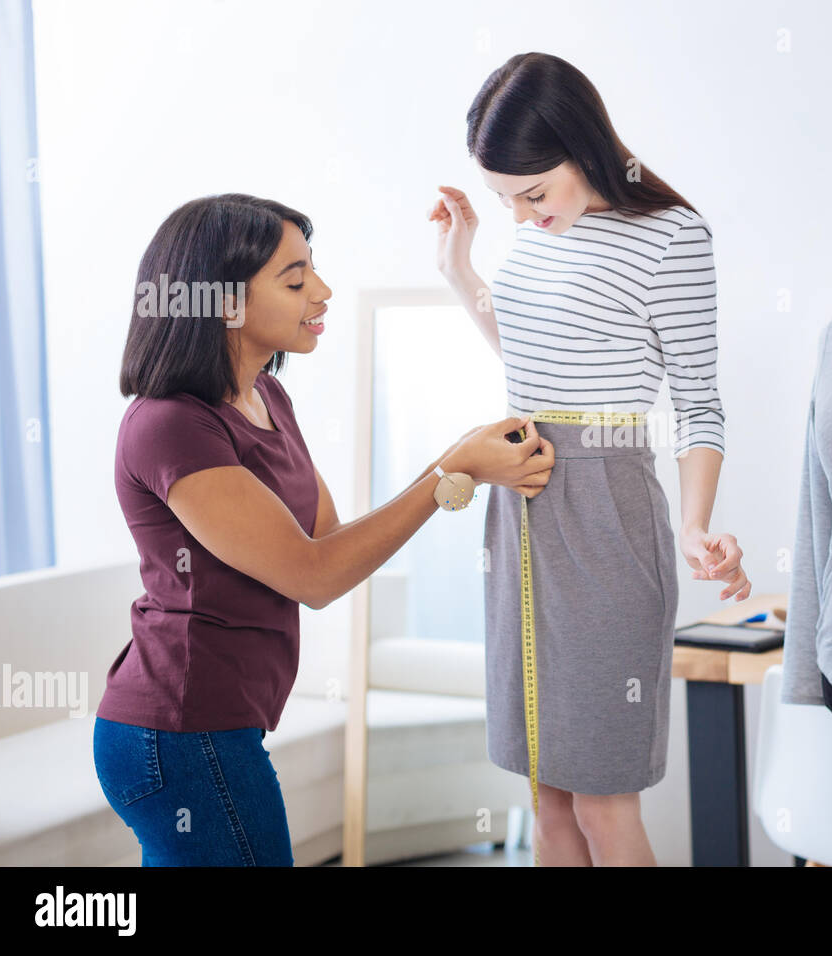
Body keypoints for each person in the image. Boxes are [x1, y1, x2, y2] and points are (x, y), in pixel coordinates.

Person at [93, 193, 555, 866]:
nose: (323, 290)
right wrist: (452, 469)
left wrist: (458, 468)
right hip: (179, 732)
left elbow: (332, 540)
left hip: (215, 726)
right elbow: (313, 577)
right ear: (224, 303)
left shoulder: (266, 398)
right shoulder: (171, 424)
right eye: (295, 278)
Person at [430, 52, 752, 866]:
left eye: (535, 193)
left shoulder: (672, 236)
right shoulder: (533, 239)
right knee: (548, 802)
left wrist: (697, 523)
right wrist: (459, 271)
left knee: (606, 803)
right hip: (520, 496)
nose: (525, 214)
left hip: (609, 506)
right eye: (507, 201)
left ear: (583, 145)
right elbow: (534, 362)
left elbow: (698, 399)